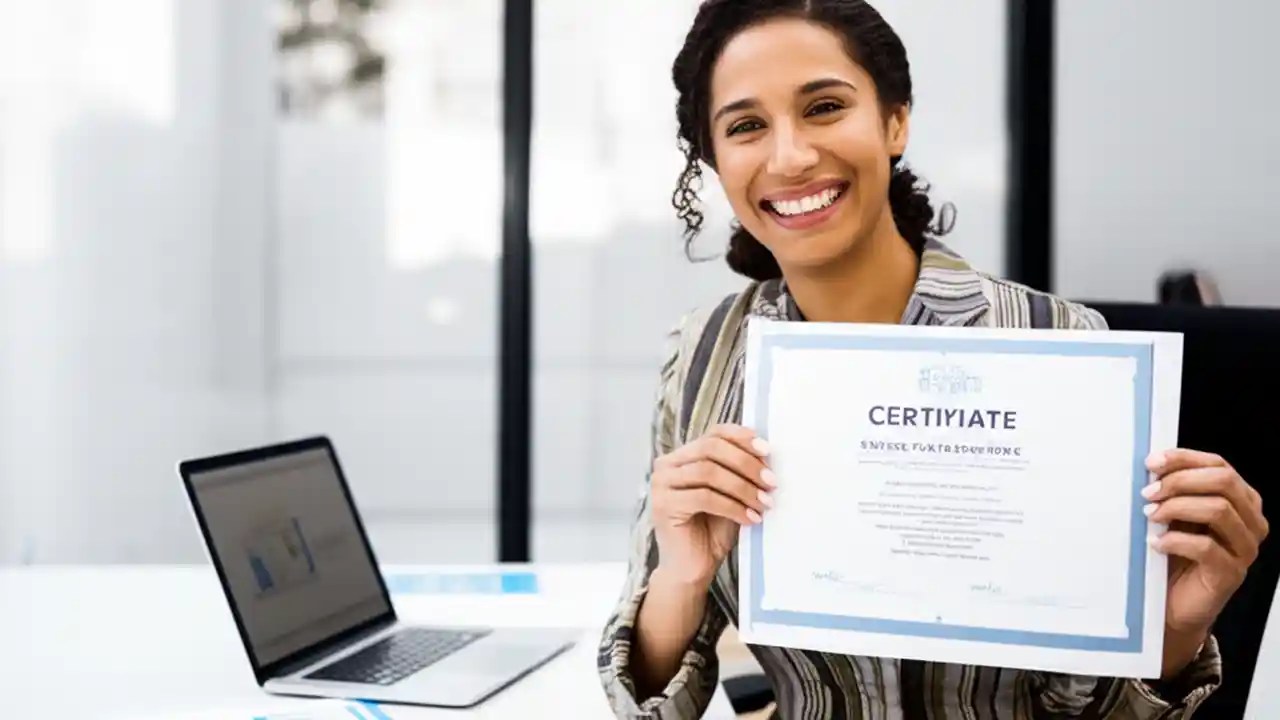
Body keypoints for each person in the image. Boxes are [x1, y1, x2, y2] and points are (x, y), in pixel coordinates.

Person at [596, 1, 1269, 718]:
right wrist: (682, 578)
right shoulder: (704, 354)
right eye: (746, 126)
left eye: (824, 107)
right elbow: (655, 702)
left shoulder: (1059, 342)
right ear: (716, 159)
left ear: (895, 121)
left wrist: (1173, 627)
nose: (789, 156)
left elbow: (1094, 708)